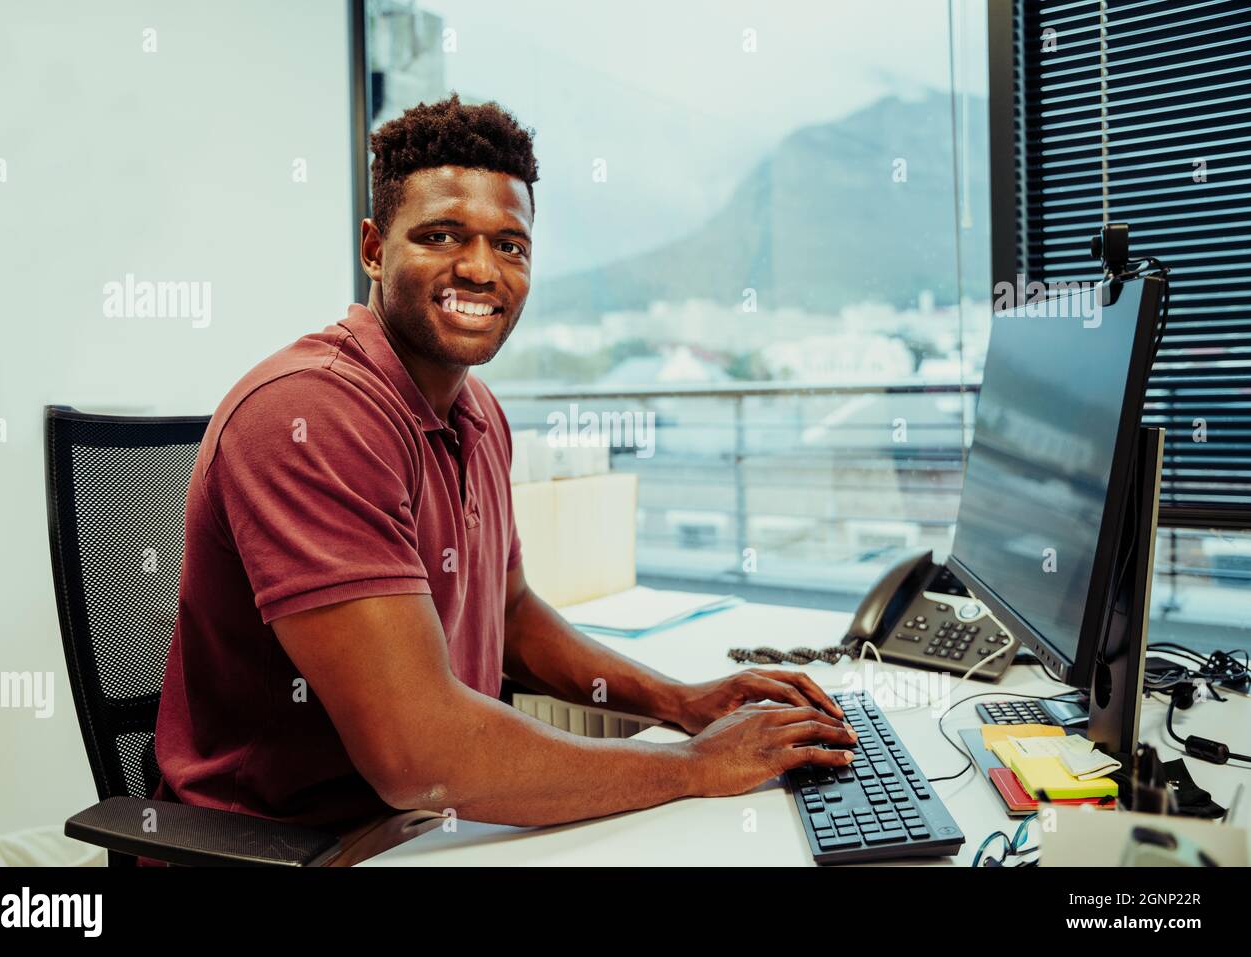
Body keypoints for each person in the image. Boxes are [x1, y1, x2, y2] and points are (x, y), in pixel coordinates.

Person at [149, 95, 855, 865]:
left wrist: (683, 701)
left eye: (510, 245)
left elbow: (510, 612)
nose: (481, 269)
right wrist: (695, 766)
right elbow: (419, 755)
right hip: (298, 850)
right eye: (441, 235)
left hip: (436, 826)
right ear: (374, 248)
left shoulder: (475, 408)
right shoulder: (309, 415)